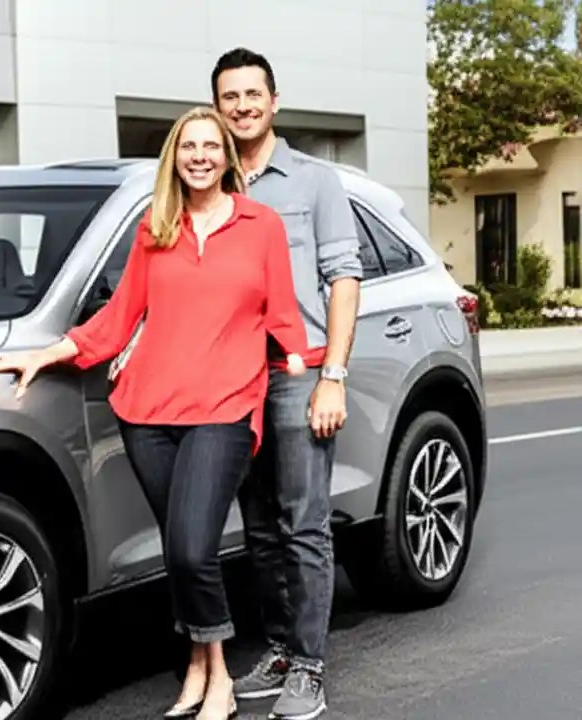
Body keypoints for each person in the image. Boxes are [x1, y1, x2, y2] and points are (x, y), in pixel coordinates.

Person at [0, 106, 309, 720]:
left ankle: (220, 679)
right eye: (189, 147)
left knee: (191, 550)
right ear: (174, 158)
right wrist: (48, 353)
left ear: (226, 157)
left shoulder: (260, 225)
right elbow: (119, 316)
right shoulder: (155, 229)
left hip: (224, 407)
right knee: (183, 548)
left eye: (211, 146)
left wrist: (311, 363)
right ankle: (201, 667)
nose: (200, 156)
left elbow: (282, 310)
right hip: (147, 413)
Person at [210, 48, 364, 720]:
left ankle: (309, 667)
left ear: (274, 102)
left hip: (299, 374)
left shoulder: (313, 181)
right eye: (230, 97)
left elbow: (344, 279)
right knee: (260, 526)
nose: (242, 106)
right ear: (216, 107)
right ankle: (279, 648)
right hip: (233, 381)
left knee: (304, 524)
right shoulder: (208, 181)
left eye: (253, 94)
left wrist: (334, 377)